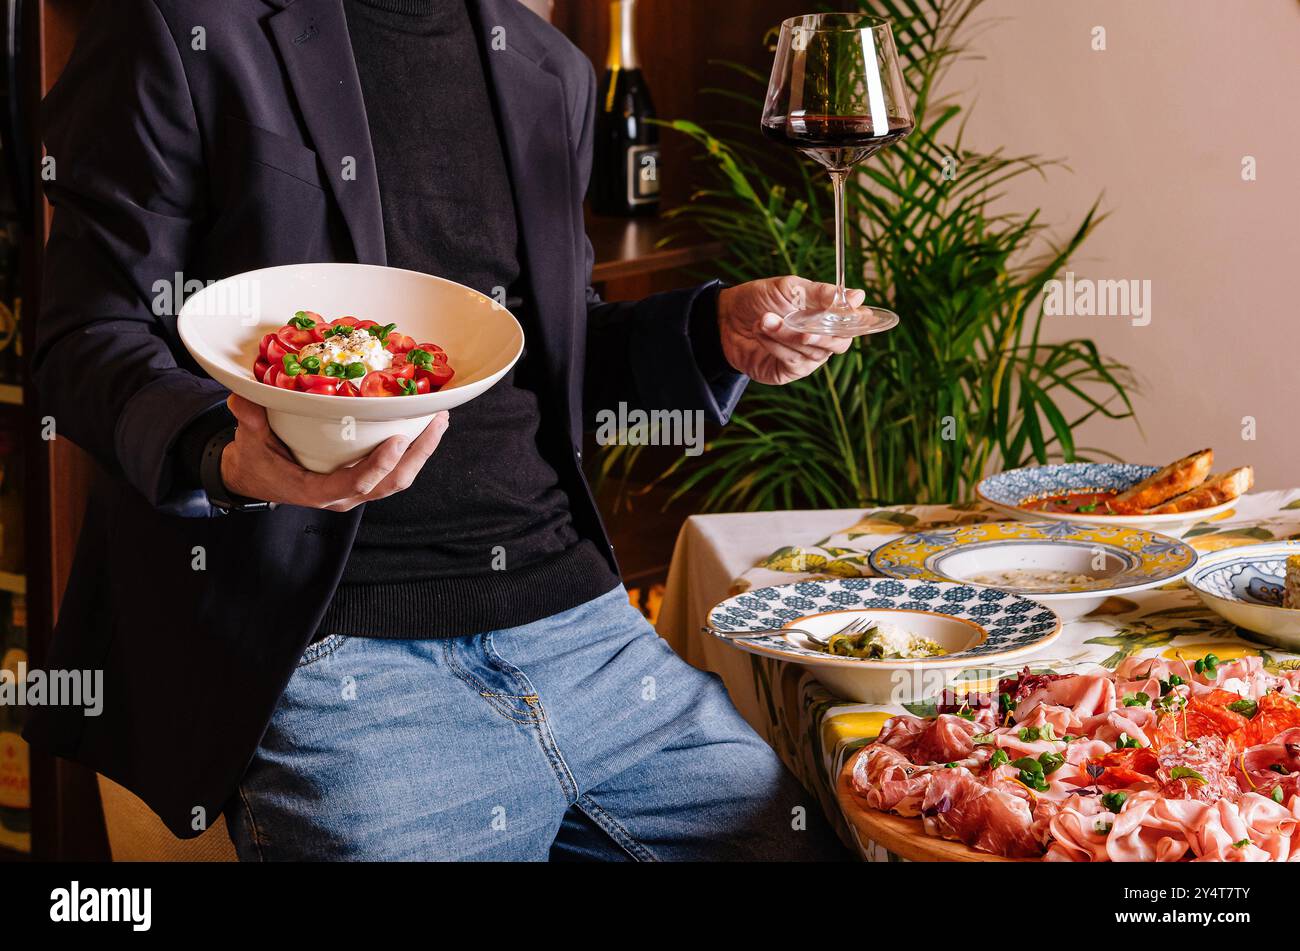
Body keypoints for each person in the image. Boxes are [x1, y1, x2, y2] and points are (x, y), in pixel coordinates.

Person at [28, 0, 859, 861]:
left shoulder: (549, 65)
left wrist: (708, 332)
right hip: (332, 649)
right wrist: (225, 454)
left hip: (582, 630)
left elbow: (546, 345)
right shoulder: (181, 25)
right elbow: (85, 339)